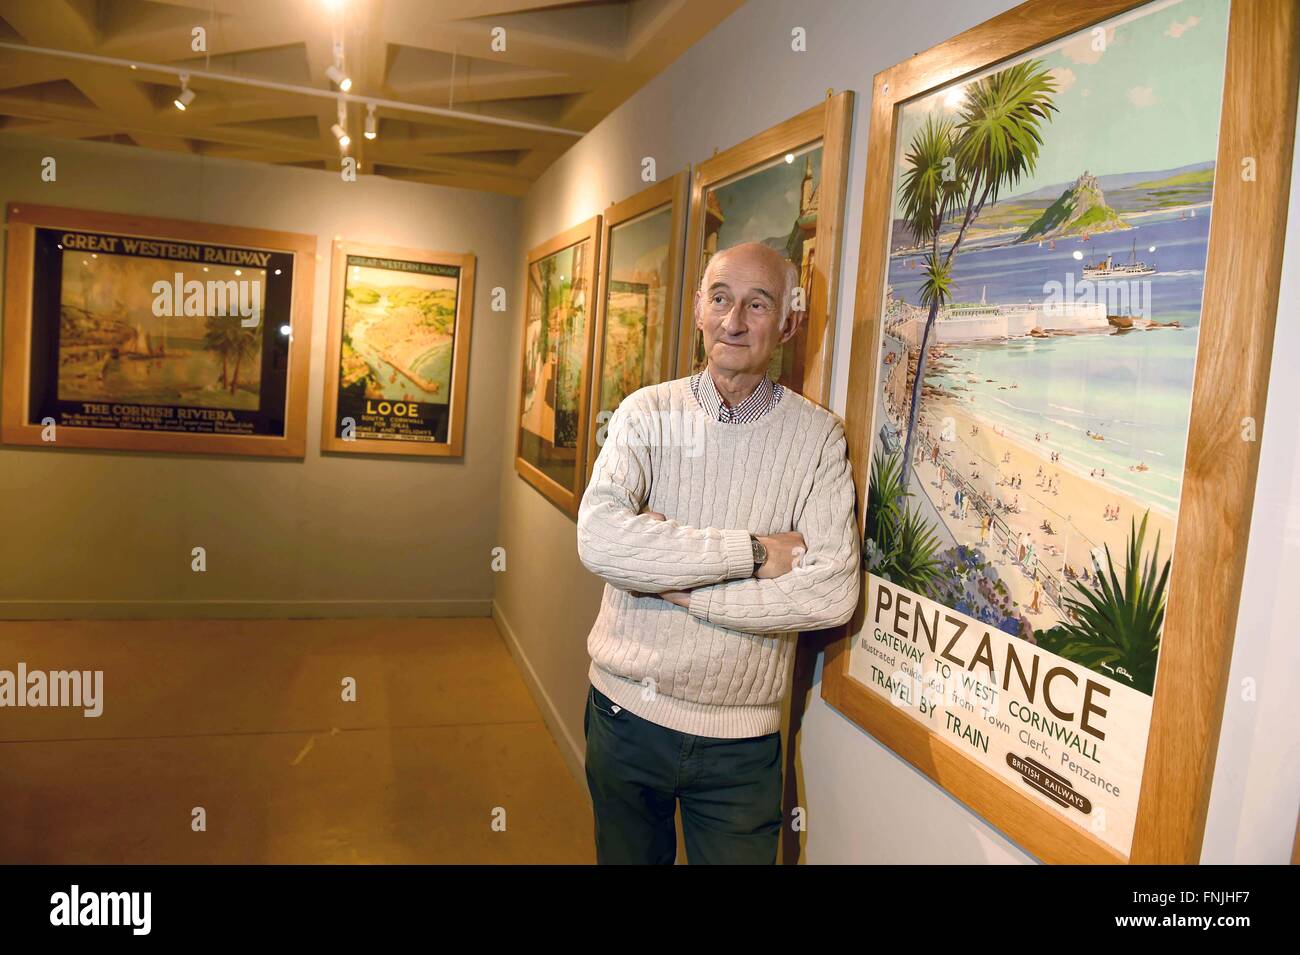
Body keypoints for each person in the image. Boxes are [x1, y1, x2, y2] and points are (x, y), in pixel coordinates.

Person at [576, 242, 859, 865]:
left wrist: (672, 583)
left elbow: (832, 593)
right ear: (698, 312)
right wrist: (753, 553)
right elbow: (599, 537)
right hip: (625, 716)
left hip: (741, 744)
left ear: (787, 323)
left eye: (757, 304)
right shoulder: (645, 414)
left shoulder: (817, 439)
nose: (734, 321)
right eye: (720, 299)